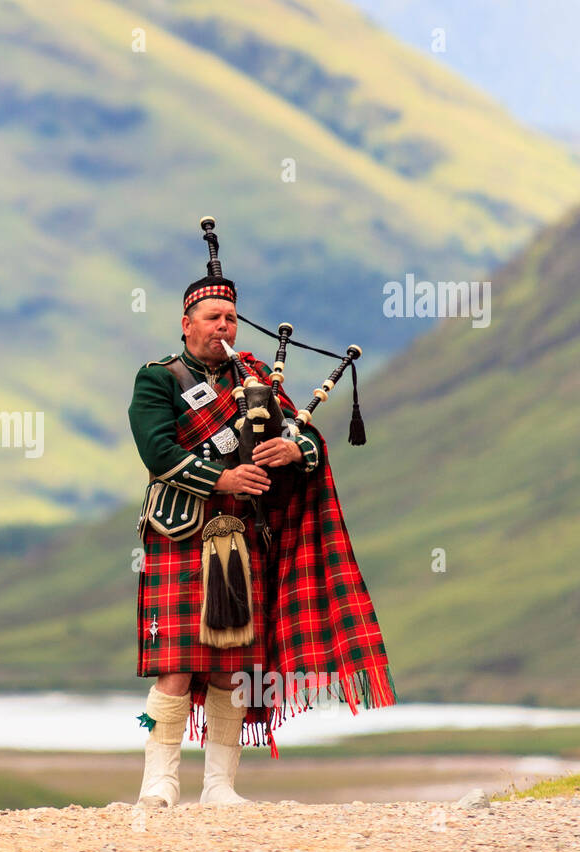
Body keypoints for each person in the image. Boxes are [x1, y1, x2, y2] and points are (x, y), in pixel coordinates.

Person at [127, 221, 397, 808]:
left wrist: (290, 449)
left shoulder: (256, 381)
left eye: (229, 318)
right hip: (180, 533)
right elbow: (159, 452)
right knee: (174, 665)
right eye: (211, 318)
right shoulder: (157, 380)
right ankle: (159, 783)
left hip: (243, 536)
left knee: (232, 665)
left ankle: (220, 786)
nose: (223, 327)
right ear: (186, 323)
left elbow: (307, 441)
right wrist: (222, 476)